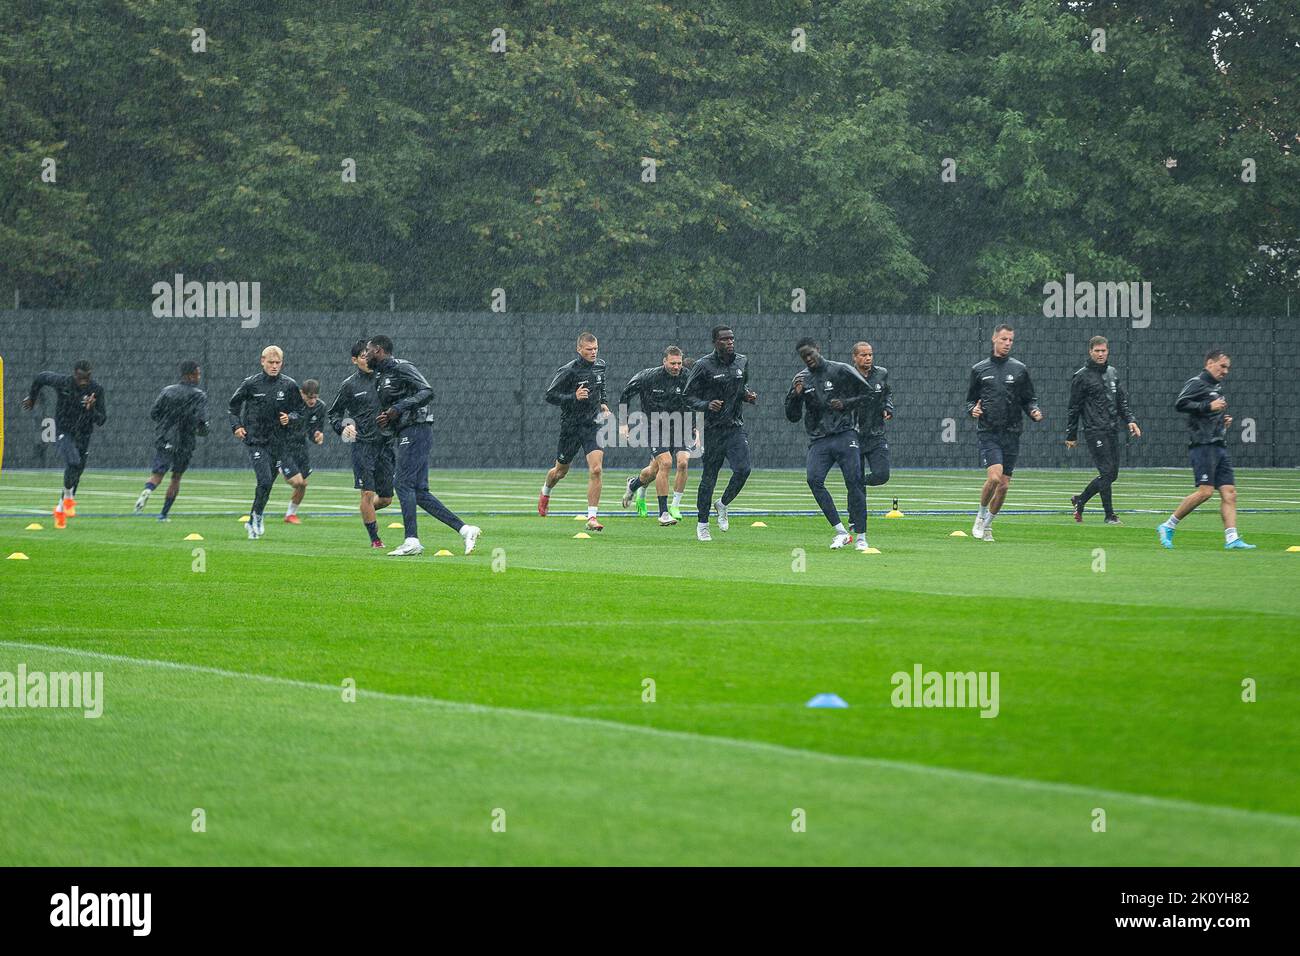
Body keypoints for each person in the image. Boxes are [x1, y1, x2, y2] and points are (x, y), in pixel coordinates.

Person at [367, 335, 480, 556]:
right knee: (419, 492)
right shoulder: (380, 377)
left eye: (368, 351)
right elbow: (393, 409)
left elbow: (427, 391)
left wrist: (398, 408)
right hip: (407, 430)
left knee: (402, 483)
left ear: (379, 350)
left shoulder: (402, 367)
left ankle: (412, 540)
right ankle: (465, 530)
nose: (365, 355)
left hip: (417, 428)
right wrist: (387, 418)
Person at [1157, 349, 1255, 550]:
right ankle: (1168, 525)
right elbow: (1181, 404)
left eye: (1228, 367)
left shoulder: (1216, 387)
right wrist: (1209, 407)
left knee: (1230, 493)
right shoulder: (1196, 383)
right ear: (1210, 363)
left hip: (1218, 444)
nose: (1226, 371)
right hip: (1203, 445)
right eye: (1222, 366)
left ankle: (1232, 539)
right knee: (1205, 492)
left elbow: (1208, 412)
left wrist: (1221, 422)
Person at [785, 338, 871, 551]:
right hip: (819, 439)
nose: (808, 359)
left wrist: (845, 404)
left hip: (844, 435)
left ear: (818, 350)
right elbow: (792, 416)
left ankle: (861, 536)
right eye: (804, 356)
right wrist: (796, 396)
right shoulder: (801, 379)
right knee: (813, 479)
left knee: (854, 482)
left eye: (810, 354)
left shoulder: (840, 370)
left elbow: (869, 394)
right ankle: (841, 532)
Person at [964, 324, 1043, 542]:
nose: (1007, 343)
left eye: (1010, 340)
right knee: (995, 477)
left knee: (1005, 484)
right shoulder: (979, 369)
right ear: (994, 339)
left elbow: (1029, 399)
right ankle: (980, 516)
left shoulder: (1019, 369)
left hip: (1012, 432)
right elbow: (970, 400)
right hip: (989, 431)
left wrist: (1034, 411)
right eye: (1004, 339)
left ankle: (988, 524)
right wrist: (973, 409)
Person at [684, 326, 756, 541]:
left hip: (734, 428)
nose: (730, 342)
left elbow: (739, 389)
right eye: (725, 339)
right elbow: (688, 396)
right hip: (712, 430)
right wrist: (706, 404)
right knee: (709, 478)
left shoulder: (742, 362)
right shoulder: (703, 365)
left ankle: (723, 504)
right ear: (715, 342)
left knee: (743, 469)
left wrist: (747, 396)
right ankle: (703, 523)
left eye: (732, 338)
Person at [228, 345, 304, 539]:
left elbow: (300, 412)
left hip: (278, 443)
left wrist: (291, 418)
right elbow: (233, 406)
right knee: (263, 479)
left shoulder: (289, 385)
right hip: (256, 440)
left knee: (267, 483)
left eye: (278, 363)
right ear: (262, 361)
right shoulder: (251, 384)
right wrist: (236, 426)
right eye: (271, 362)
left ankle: (257, 514)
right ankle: (255, 518)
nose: (274, 366)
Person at [1065, 337, 1141, 524]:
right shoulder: (1081, 376)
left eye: (1103, 351)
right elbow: (1074, 407)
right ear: (1090, 351)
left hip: (1112, 429)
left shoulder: (1112, 373)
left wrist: (1130, 420)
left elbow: (1121, 401)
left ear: (1108, 351)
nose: (1100, 354)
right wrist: (1071, 435)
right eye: (1097, 351)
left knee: (1112, 474)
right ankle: (1109, 515)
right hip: (1094, 430)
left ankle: (1080, 499)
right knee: (1107, 472)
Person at [22, 360, 107, 525]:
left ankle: (60, 509)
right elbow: (41, 377)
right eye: (81, 377)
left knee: (77, 471)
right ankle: (68, 499)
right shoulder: (63, 382)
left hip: (83, 434)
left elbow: (102, 420)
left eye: (87, 377)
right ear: (75, 373)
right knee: (73, 461)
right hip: (64, 430)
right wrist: (32, 398)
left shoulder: (96, 390)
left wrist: (92, 409)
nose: (84, 381)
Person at [539, 332, 609, 532]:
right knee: (560, 471)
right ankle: (545, 491)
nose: (593, 352)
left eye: (595, 348)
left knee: (596, 469)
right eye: (589, 349)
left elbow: (601, 386)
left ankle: (592, 517)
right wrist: (573, 396)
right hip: (571, 426)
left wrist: (603, 404)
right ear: (579, 349)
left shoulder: (601, 365)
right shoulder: (568, 370)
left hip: (592, 425)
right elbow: (550, 396)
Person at [328, 340, 395, 548]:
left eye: (369, 354)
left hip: (385, 444)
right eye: (362, 356)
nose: (367, 359)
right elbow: (334, 415)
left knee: (385, 499)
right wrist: (344, 427)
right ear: (354, 360)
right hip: (363, 446)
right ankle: (375, 539)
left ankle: (367, 510)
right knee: (367, 493)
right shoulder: (349, 385)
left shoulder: (385, 378)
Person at [619, 346, 692, 525]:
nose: (676, 367)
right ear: (664, 361)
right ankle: (664, 513)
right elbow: (625, 395)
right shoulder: (648, 376)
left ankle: (633, 485)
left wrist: (695, 426)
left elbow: (696, 399)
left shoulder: (687, 376)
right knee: (666, 463)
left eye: (679, 363)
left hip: (679, 426)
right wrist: (623, 423)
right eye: (673, 363)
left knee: (663, 468)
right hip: (653, 426)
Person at [135, 360, 209, 521]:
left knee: (157, 474)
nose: (199, 377)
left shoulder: (167, 391)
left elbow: (154, 413)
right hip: (185, 441)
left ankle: (148, 490)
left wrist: (166, 424)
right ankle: (163, 514)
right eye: (197, 374)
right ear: (190, 376)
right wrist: (201, 429)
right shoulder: (199, 395)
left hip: (166, 437)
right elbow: (202, 422)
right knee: (176, 478)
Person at [278, 378, 327, 524]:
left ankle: (290, 515)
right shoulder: (291, 404)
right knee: (297, 482)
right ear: (301, 393)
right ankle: (279, 465)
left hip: (301, 447)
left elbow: (314, 431)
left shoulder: (320, 407)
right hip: (284, 446)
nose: (312, 401)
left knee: (303, 484)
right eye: (309, 397)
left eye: (315, 397)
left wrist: (318, 436)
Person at [849, 341, 893, 488]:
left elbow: (887, 394)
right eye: (864, 355)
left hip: (876, 434)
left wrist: (887, 407)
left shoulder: (881, 373)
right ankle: (857, 510)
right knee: (855, 484)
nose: (868, 358)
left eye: (870, 355)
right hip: (854, 435)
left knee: (882, 475)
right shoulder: (846, 375)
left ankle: (860, 482)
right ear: (854, 357)